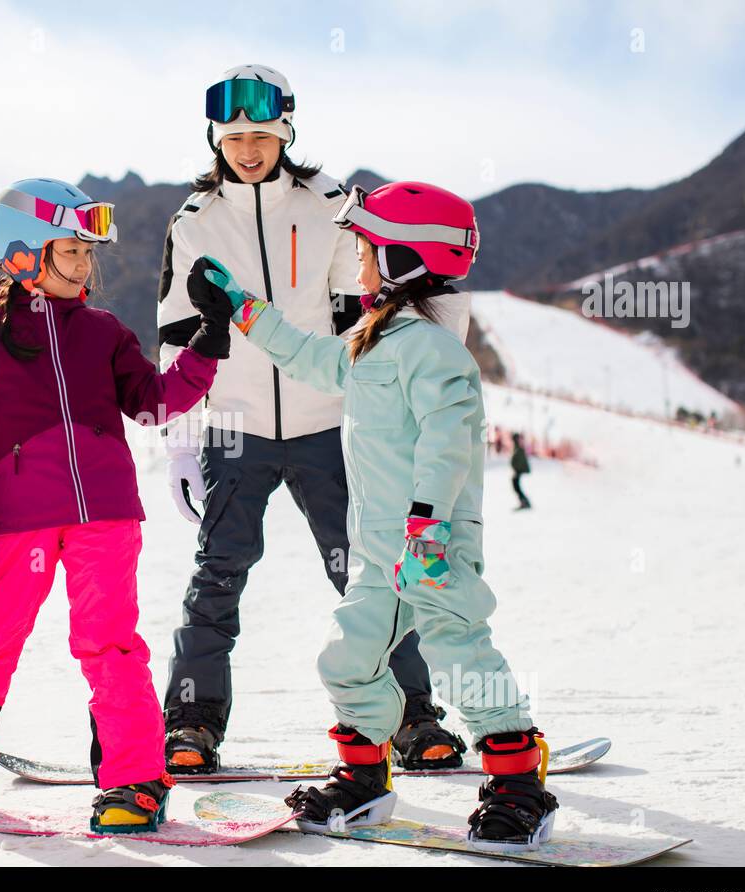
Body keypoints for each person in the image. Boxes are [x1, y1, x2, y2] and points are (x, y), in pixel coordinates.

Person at [187, 180, 557, 848]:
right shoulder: (369, 343)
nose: (357, 265)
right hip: (379, 549)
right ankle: (364, 781)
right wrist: (243, 308)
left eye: (366, 252)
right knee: (346, 656)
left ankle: (519, 785)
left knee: (458, 650)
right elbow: (306, 356)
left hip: (431, 537)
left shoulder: (435, 350)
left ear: (405, 262)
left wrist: (427, 523)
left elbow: (448, 442)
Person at [0, 178, 231, 833]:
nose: (84, 264)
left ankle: (134, 780)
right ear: (23, 254)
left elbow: (155, 402)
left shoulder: (102, 332)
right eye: (71, 250)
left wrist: (209, 341)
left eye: (86, 253)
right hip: (19, 522)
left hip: (106, 516)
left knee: (110, 647)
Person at [156, 64, 464, 774]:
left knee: (368, 572)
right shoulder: (194, 221)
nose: (249, 147)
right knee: (217, 575)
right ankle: (191, 725)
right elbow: (174, 332)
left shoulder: (327, 205)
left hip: (326, 420)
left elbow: (364, 309)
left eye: (262, 133)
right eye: (234, 136)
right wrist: (180, 440)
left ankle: (414, 718)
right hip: (233, 424)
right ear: (216, 139)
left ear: (286, 131)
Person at [511, 432, 532, 510]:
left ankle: (525, 503)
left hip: (518, 471)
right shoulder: (517, 447)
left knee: (516, 486)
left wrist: (517, 469)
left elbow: (520, 461)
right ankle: (524, 502)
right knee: (516, 486)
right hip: (517, 471)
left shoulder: (519, 448)